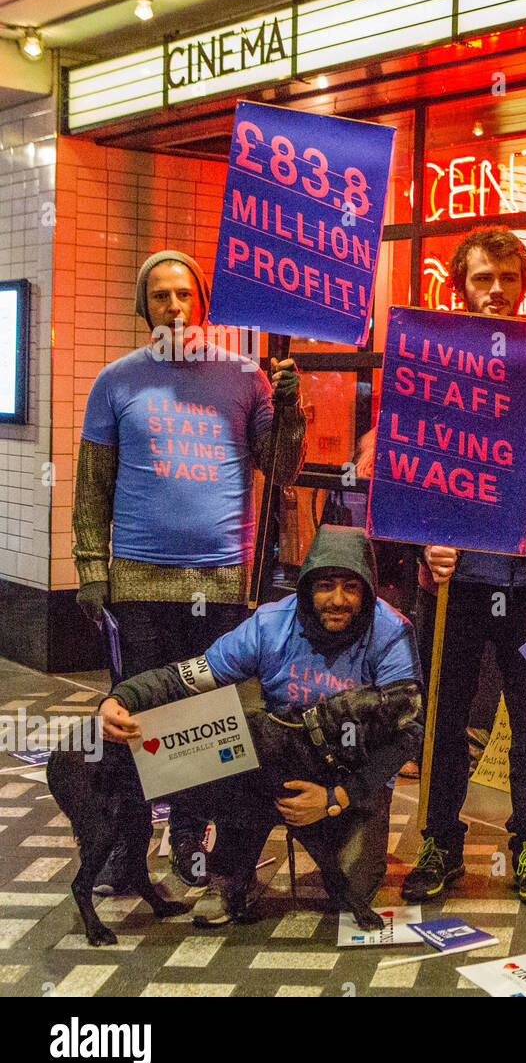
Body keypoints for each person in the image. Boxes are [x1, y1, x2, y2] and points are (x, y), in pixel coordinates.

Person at [74, 250, 306, 889]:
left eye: (184, 295)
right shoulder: (116, 382)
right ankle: (128, 841)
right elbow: (92, 487)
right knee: (136, 720)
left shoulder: (246, 377)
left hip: (221, 582)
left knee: (204, 724)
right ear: (142, 307)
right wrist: (92, 567)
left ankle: (189, 842)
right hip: (140, 582)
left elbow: (282, 468)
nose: (174, 307)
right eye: (160, 297)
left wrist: (289, 409)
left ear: (201, 302)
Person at [96, 526, 422, 915]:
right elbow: (189, 677)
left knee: (350, 891)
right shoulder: (270, 624)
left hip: (352, 774)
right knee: (228, 734)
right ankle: (229, 869)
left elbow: (409, 734)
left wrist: (336, 798)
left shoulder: (391, 631)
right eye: (325, 586)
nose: (338, 600)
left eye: (351, 587)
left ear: (367, 591)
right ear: (306, 589)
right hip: (275, 765)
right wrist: (122, 698)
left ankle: (334, 836)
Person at [401, 228, 526, 907]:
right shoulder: (430, 365)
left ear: (524, 285)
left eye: (508, 278)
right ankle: (439, 842)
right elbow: (405, 466)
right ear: (460, 287)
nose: (497, 290)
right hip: (453, 584)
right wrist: (421, 544)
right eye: (483, 279)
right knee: (442, 723)